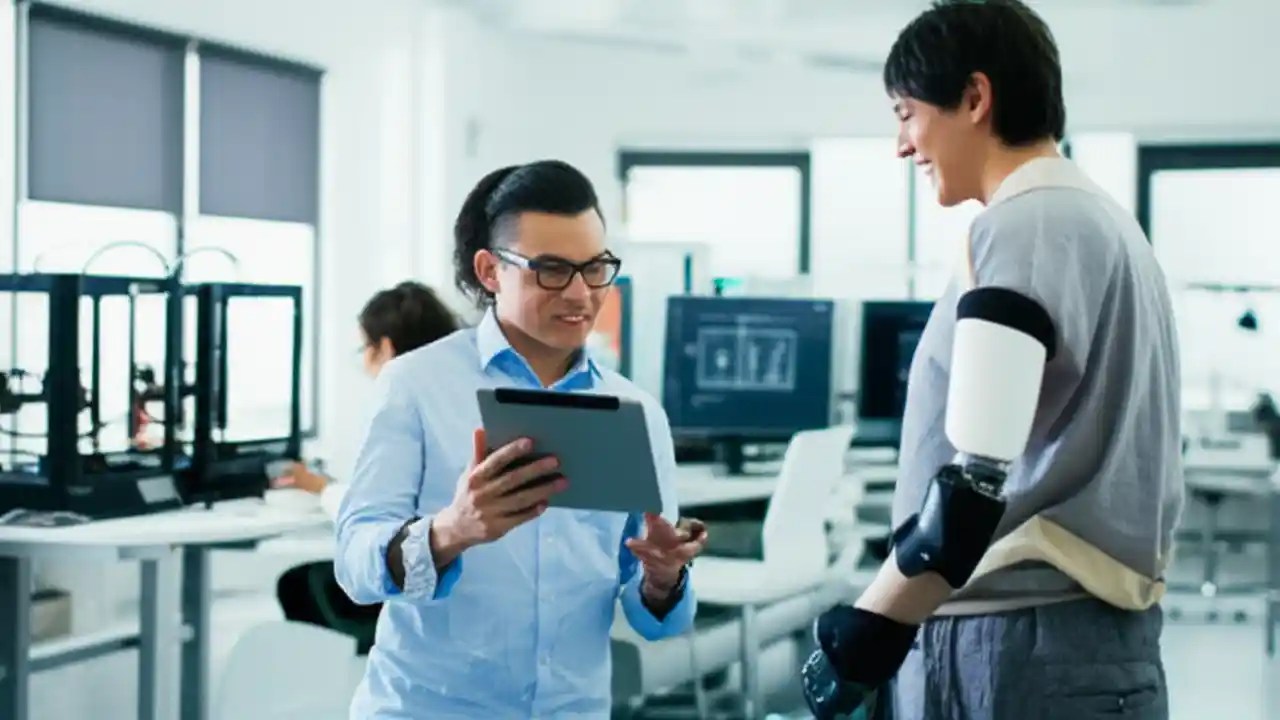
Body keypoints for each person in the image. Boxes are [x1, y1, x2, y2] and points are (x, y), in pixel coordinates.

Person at [802, 2, 1183, 719]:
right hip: (1085, 646)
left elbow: (970, 492)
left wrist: (866, 636)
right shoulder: (1102, 223)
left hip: (1018, 650)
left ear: (975, 98)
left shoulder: (1022, 225)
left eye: (906, 112)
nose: (901, 144)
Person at [333, 159, 708, 718]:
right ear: (490, 270)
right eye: (553, 270)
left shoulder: (636, 411)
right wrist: (447, 532)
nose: (581, 293)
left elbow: (656, 617)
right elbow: (355, 566)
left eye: (595, 268)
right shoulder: (415, 385)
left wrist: (663, 578)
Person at [273, 281, 459, 654]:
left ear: (386, 348)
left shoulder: (398, 403)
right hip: (445, 571)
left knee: (300, 583)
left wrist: (320, 487)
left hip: (419, 580)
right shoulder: (461, 394)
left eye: (364, 348)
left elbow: (375, 520)